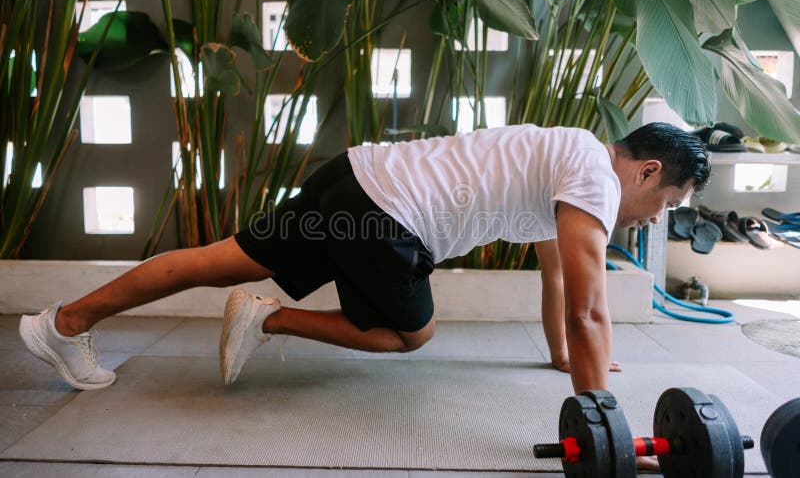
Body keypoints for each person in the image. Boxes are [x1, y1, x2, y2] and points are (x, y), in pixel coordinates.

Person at [19, 122, 708, 397]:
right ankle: (267, 318)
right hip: (390, 217)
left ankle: (64, 321)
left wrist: (560, 357)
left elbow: (558, 278)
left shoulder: (568, 153)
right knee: (413, 334)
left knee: (216, 259)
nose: (655, 217)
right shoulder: (594, 178)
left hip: (353, 176)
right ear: (647, 170)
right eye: (666, 202)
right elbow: (590, 311)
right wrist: (600, 418)